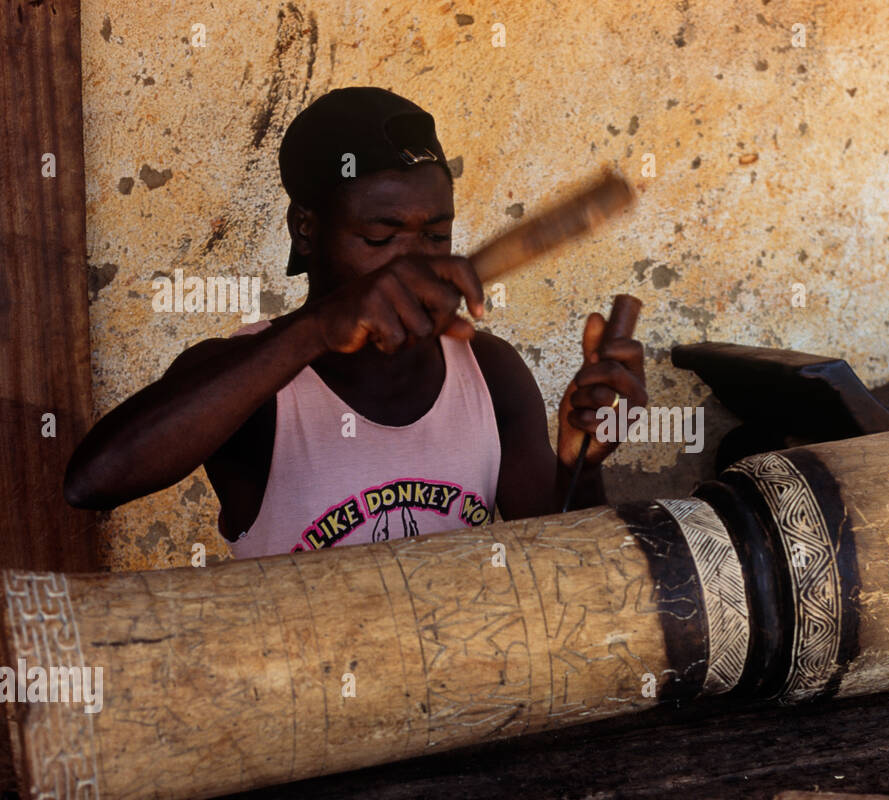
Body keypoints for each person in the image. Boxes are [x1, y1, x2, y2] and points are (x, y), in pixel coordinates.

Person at [64, 87, 647, 558]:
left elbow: (566, 566)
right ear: (306, 230)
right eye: (380, 237)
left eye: (437, 234)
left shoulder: (488, 372)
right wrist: (318, 328)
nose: (416, 263)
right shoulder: (250, 383)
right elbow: (93, 482)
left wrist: (581, 465)